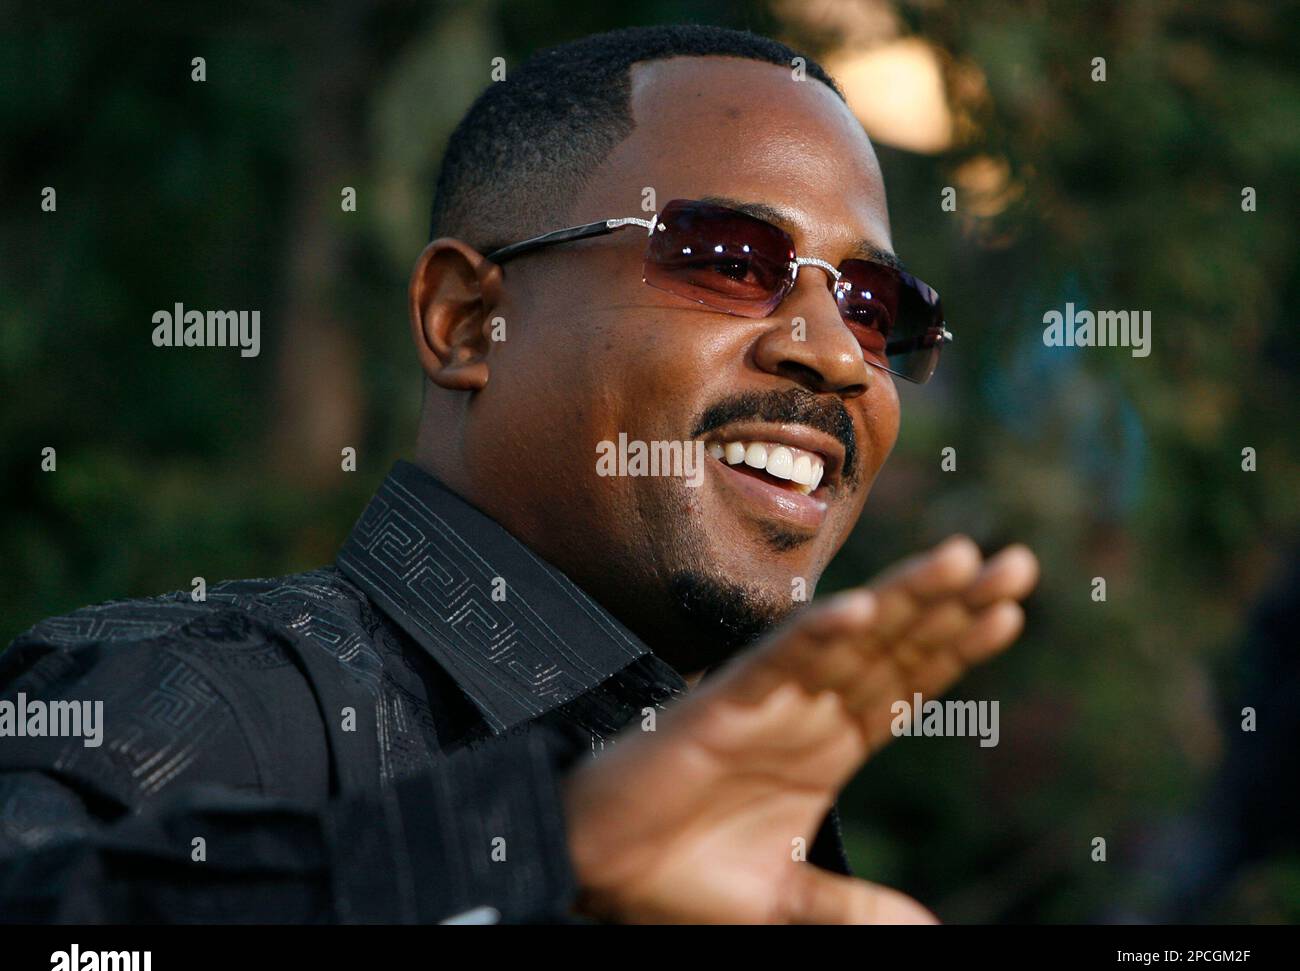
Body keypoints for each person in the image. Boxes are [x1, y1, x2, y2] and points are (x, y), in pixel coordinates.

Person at [0, 24, 1038, 924]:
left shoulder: (761, 814)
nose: (836, 351)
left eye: (870, 304)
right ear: (466, 322)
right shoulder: (211, 701)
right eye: (726, 260)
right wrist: (547, 849)